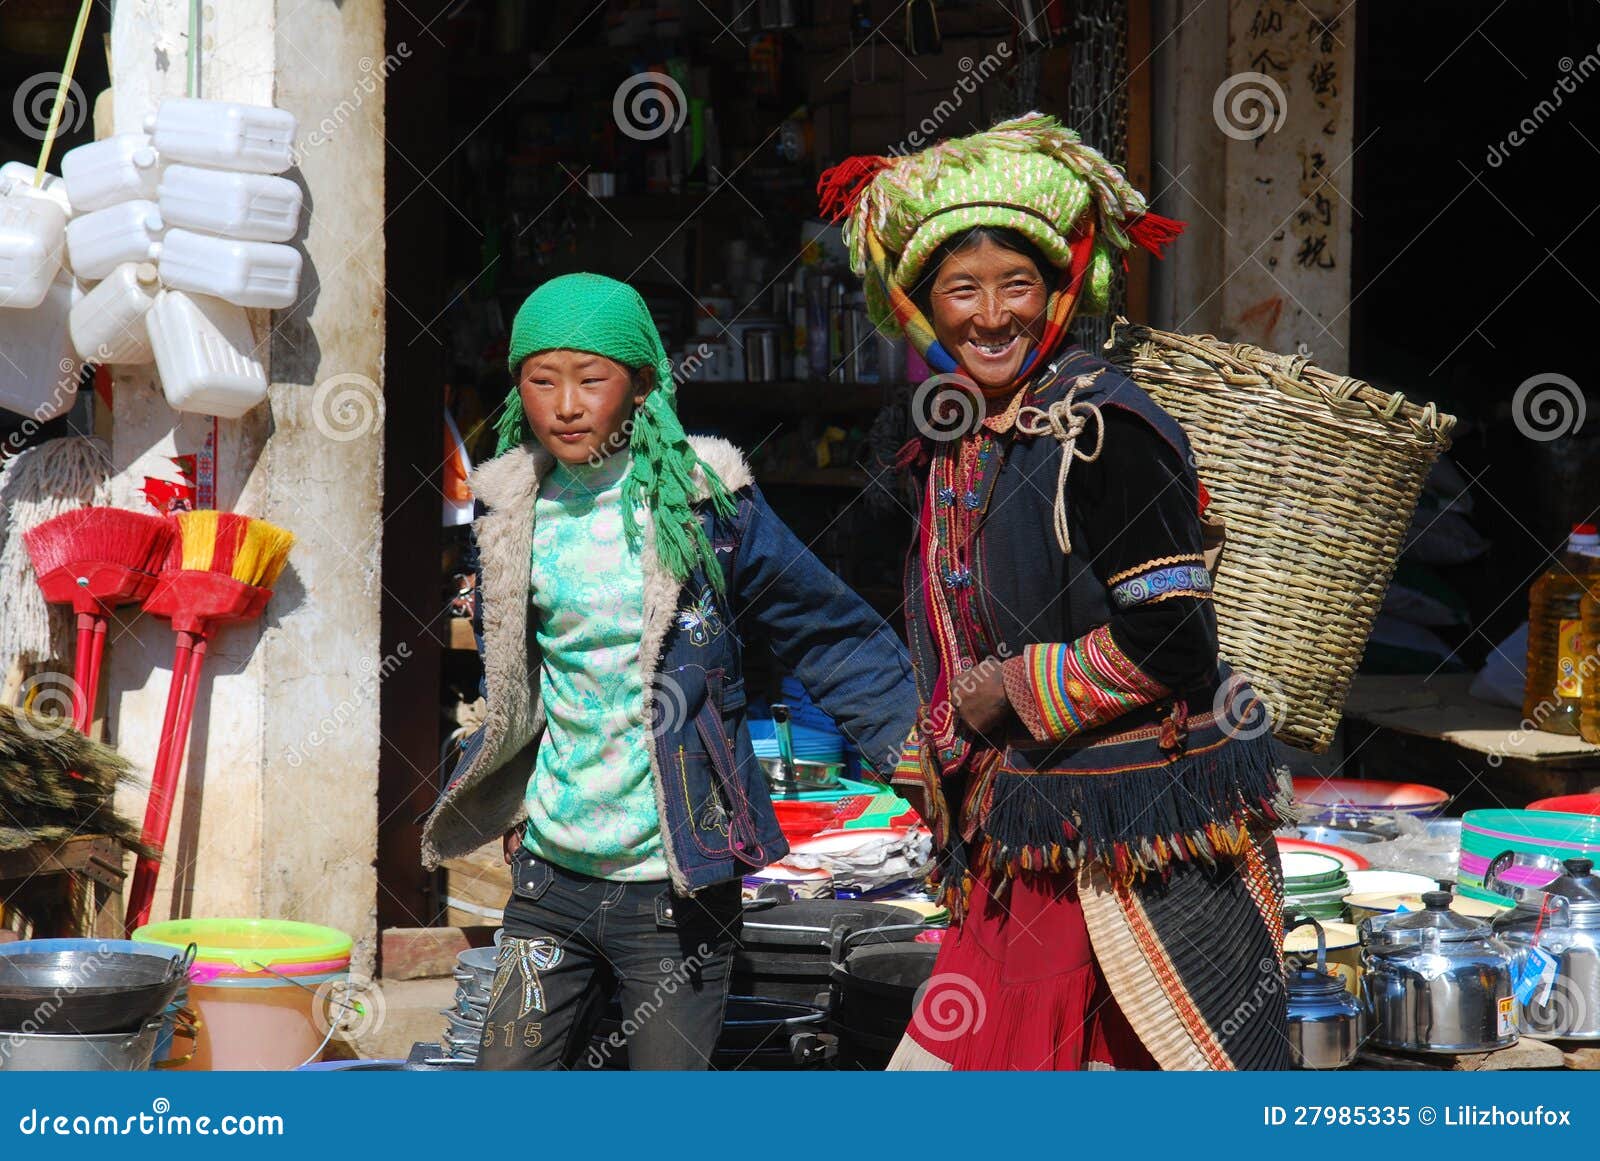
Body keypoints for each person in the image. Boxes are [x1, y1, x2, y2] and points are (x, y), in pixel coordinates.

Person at [820, 113, 1294, 1070]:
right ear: (920, 307)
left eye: (1018, 286)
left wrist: (1009, 688)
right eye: (963, 289)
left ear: (1061, 292)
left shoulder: (1107, 429)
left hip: (1130, 836)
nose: (993, 316)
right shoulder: (948, 435)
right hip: (1022, 834)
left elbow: (1174, 639)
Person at [421, 272, 919, 1070]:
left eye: (591, 379)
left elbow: (829, 633)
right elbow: (519, 681)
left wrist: (924, 751)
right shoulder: (513, 513)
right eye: (541, 381)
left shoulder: (709, 506)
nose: (566, 405)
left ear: (644, 383)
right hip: (551, 879)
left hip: (676, 886)